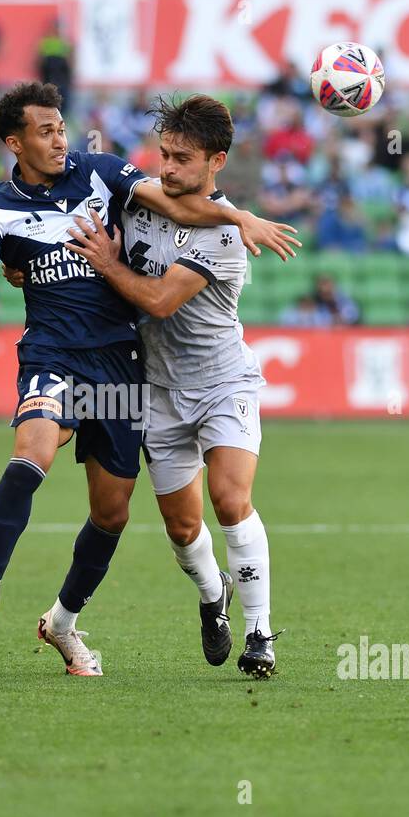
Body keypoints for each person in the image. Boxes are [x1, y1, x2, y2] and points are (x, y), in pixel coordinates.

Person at [0, 81, 297, 676]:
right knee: (45, 455)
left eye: (61, 127)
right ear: (15, 142)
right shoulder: (11, 204)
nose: (60, 138)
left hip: (156, 370)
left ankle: (74, 623)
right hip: (73, 359)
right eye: (46, 131)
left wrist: (240, 217)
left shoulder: (121, 183)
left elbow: (168, 255)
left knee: (140, 512)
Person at [61, 95, 284, 677]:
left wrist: (110, 266)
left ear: (217, 161)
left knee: (231, 502)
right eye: (163, 154)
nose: (168, 167)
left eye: (182, 158)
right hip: (156, 389)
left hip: (221, 380)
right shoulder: (141, 200)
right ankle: (215, 598)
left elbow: (159, 301)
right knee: (183, 530)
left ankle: (261, 634)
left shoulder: (229, 236)